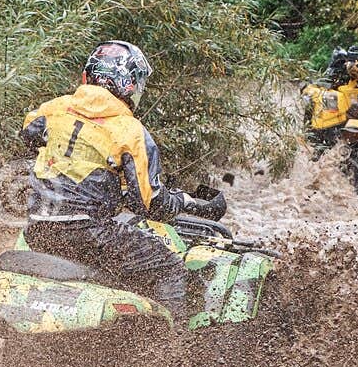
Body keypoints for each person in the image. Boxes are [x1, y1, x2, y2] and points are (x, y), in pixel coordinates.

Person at [19, 41, 222, 315]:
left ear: (87, 75)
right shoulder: (130, 131)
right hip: (88, 234)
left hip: (38, 230)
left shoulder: (52, 109)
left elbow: (30, 136)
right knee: (170, 268)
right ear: (130, 85)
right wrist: (186, 201)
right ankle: (174, 351)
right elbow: (151, 206)